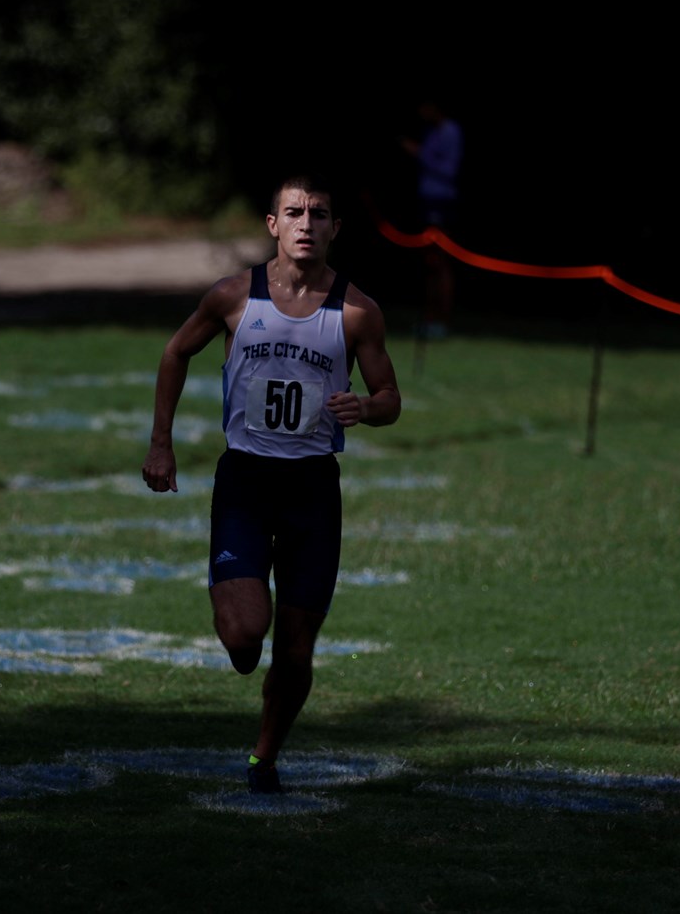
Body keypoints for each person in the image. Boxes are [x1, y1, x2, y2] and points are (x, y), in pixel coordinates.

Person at [141, 174, 402, 795]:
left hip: (313, 491)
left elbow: (390, 397)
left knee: (295, 649)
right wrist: (161, 442)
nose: (306, 224)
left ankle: (264, 758)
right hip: (247, 482)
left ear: (336, 228)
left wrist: (366, 407)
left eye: (319, 214)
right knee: (243, 636)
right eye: (294, 212)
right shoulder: (234, 295)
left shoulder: (357, 311)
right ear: (273, 224)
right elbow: (176, 352)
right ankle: (238, 629)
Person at [400, 98, 463, 339]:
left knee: (442, 262)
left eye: (426, 107)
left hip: (442, 202)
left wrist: (419, 153)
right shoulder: (430, 130)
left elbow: (449, 170)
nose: (422, 112)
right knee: (430, 262)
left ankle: (442, 321)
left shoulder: (450, 131)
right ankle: (430, 319)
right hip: (427, 201)